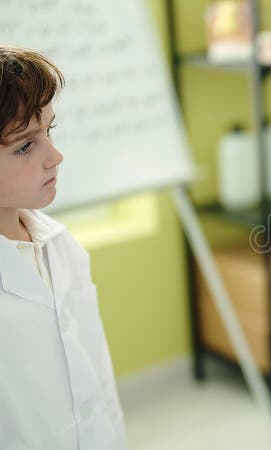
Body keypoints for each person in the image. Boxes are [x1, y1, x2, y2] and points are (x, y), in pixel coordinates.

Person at [0, 46, 126, 449]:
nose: (55, 156)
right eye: (25, 146)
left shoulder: (62, 247)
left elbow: (99, 379)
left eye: (49, 131)